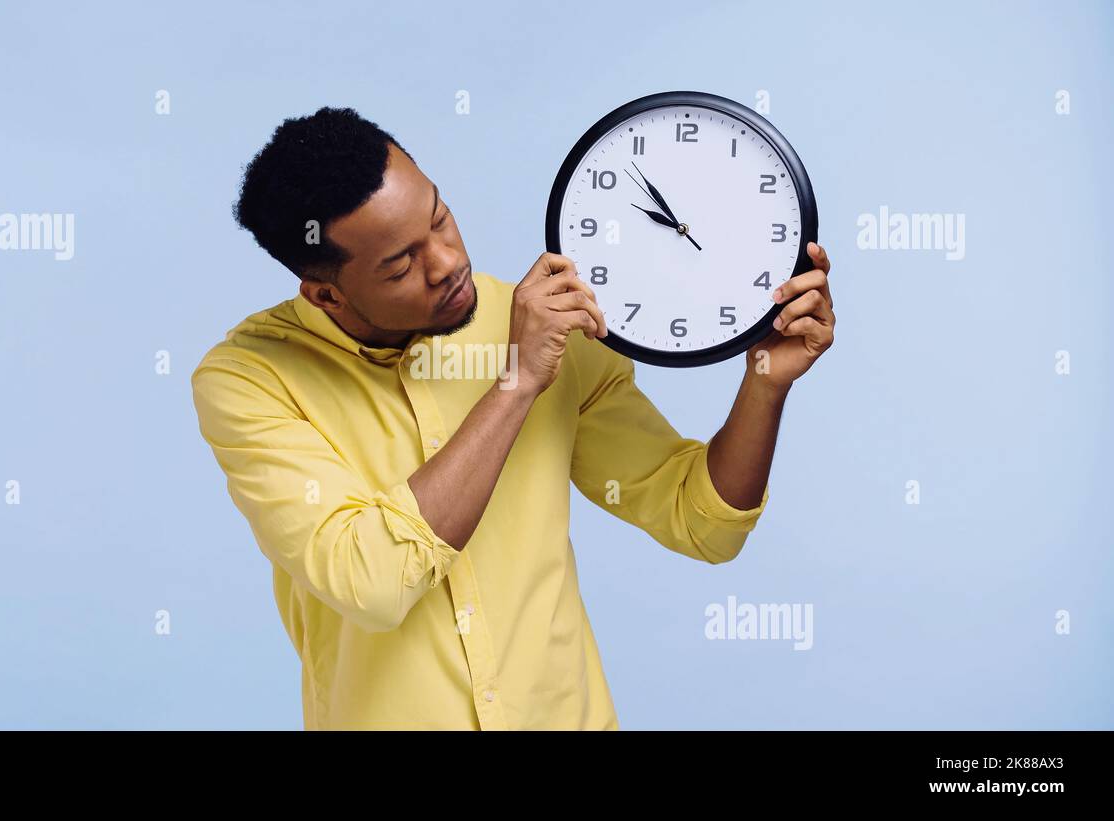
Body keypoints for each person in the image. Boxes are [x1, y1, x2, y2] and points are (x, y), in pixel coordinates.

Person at [191, 106, 836, 730]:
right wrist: (517, 383)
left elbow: (700, 524)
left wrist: (764, 383)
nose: (446, 262)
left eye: (440, 219)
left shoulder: (543, 325)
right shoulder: (249, 380)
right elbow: (372, 581)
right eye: (401, 264)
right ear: (326, 293)